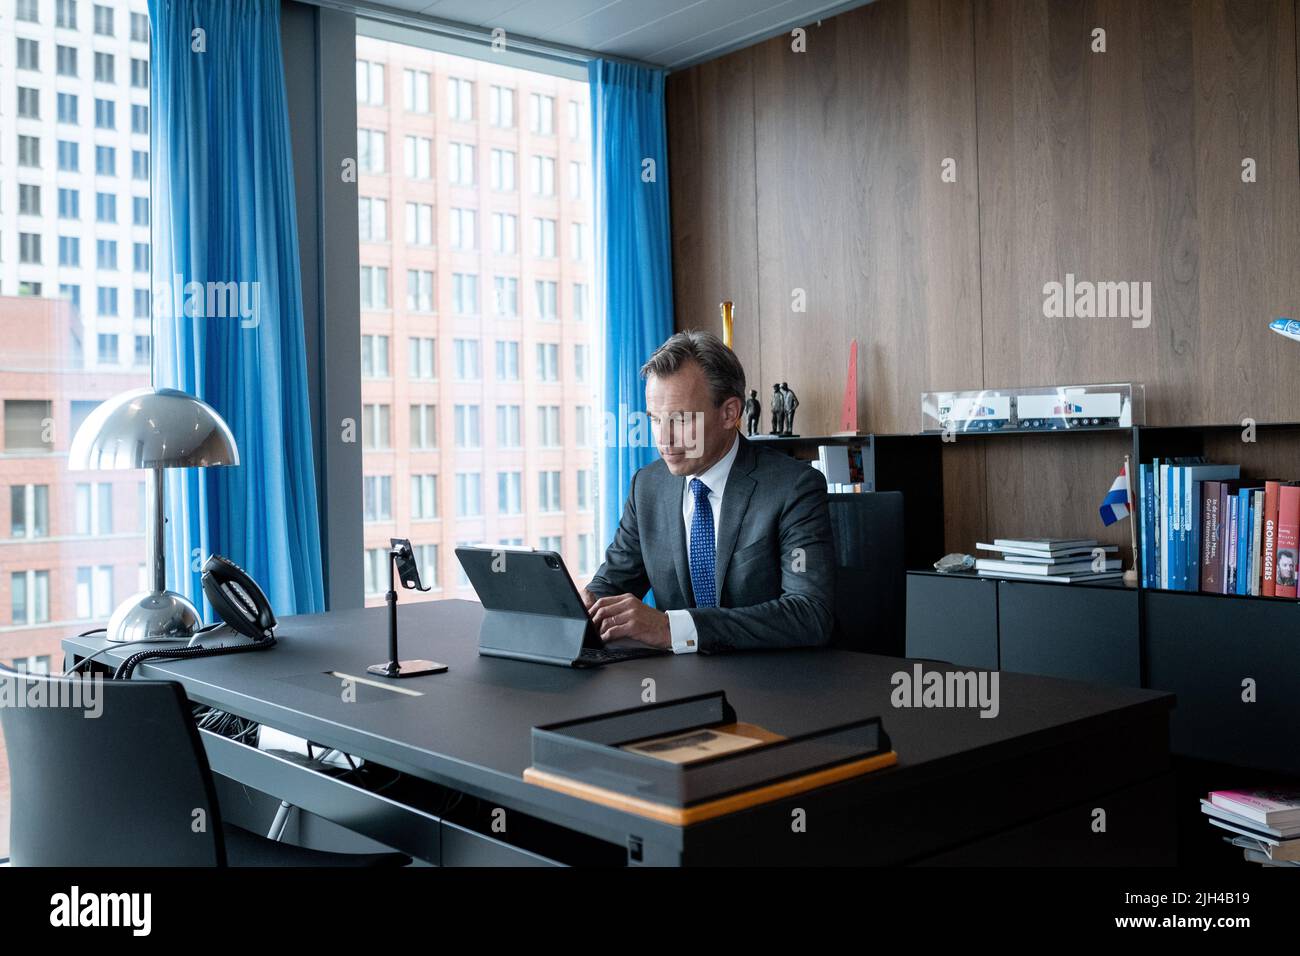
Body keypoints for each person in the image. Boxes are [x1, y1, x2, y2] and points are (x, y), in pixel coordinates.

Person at [582, 330, 835, 653]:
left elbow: (810, 614)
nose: (664, 439)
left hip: (774, 685)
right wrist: (582, 606)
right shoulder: (648, 486)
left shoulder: (794, 487)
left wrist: (672, 628)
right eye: (656, 420)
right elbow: (611, 585)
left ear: (729, 413)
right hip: (677, 685)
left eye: (680, 419)